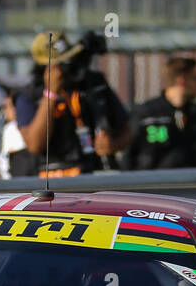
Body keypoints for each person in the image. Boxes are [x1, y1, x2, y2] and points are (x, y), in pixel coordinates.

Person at [14, 30, 130, 177]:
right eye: (60, 64)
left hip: (96, 172)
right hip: (57, 179)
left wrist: (113, 144)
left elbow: (127, 132)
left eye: (69, 60)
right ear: (45, 68)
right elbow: (35, 145)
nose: (66, 69)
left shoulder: (94, 85)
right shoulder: (29, 96)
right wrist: (51, 93)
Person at [126, 55, 196, 170]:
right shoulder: (147, 113)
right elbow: (129, 154)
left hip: (191, 183)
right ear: (182, 80)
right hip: (154, 183)